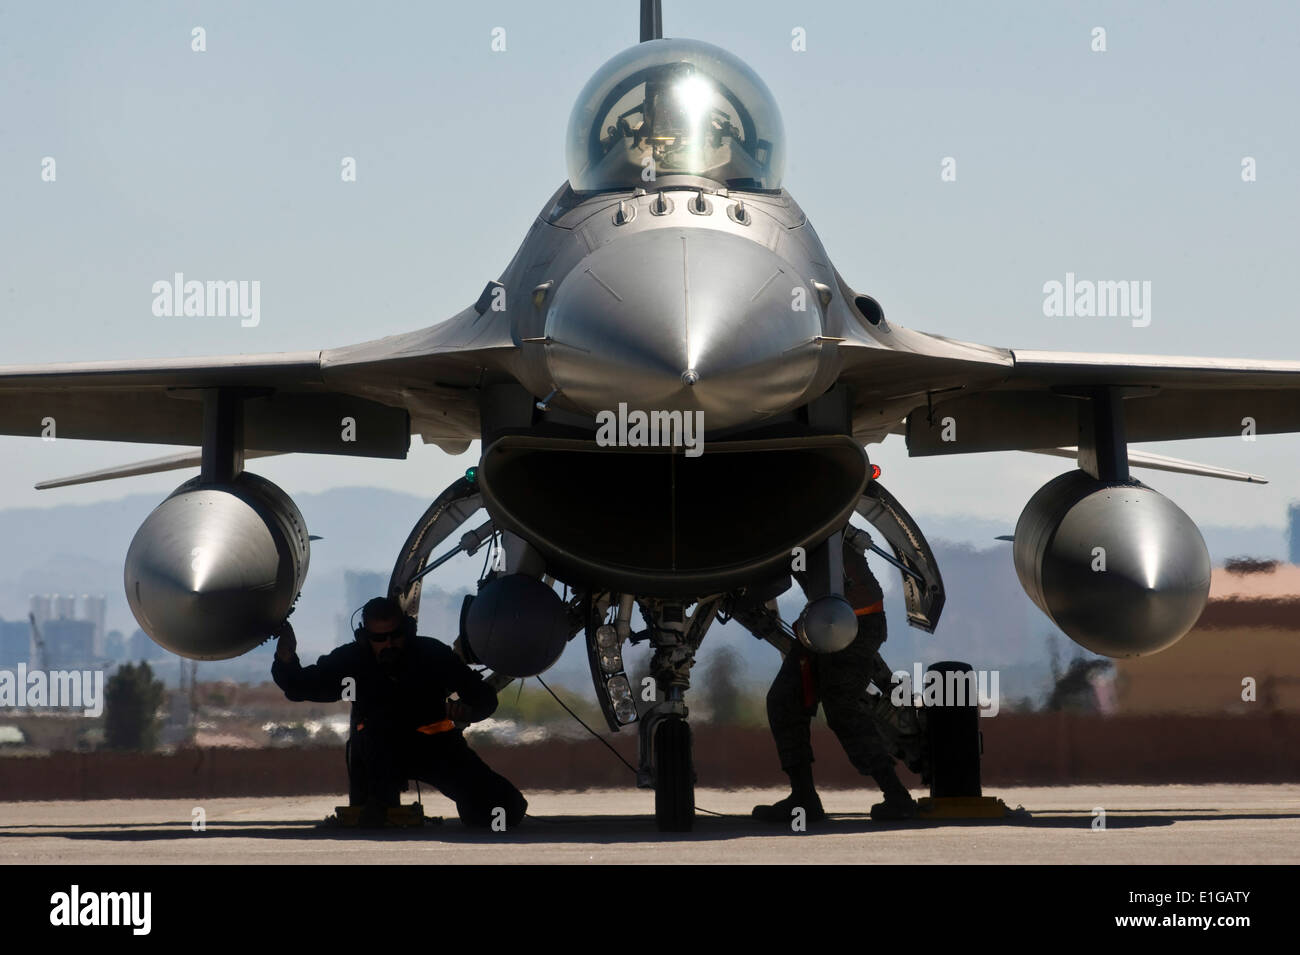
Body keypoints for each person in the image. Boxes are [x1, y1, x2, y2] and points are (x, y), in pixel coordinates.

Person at [272, 596, 527, 829]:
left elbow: (483, 696)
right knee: (373, 815)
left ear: (408, 631)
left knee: (505, 808)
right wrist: (286, 658)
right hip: (378, 755)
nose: (389, 644)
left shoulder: (432, 655)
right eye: (379, 639)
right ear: (365, 637)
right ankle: (377, 802)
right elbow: (301, 686)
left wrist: (468, 712)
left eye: (395, 635)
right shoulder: (351, 661)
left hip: (435, 749)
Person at [753, 536, 918, 824]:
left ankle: (897, 796)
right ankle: (804, 798)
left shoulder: (817, 510)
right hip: (822, 620)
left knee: (842, 707)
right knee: (785, 700)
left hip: (853, 622)